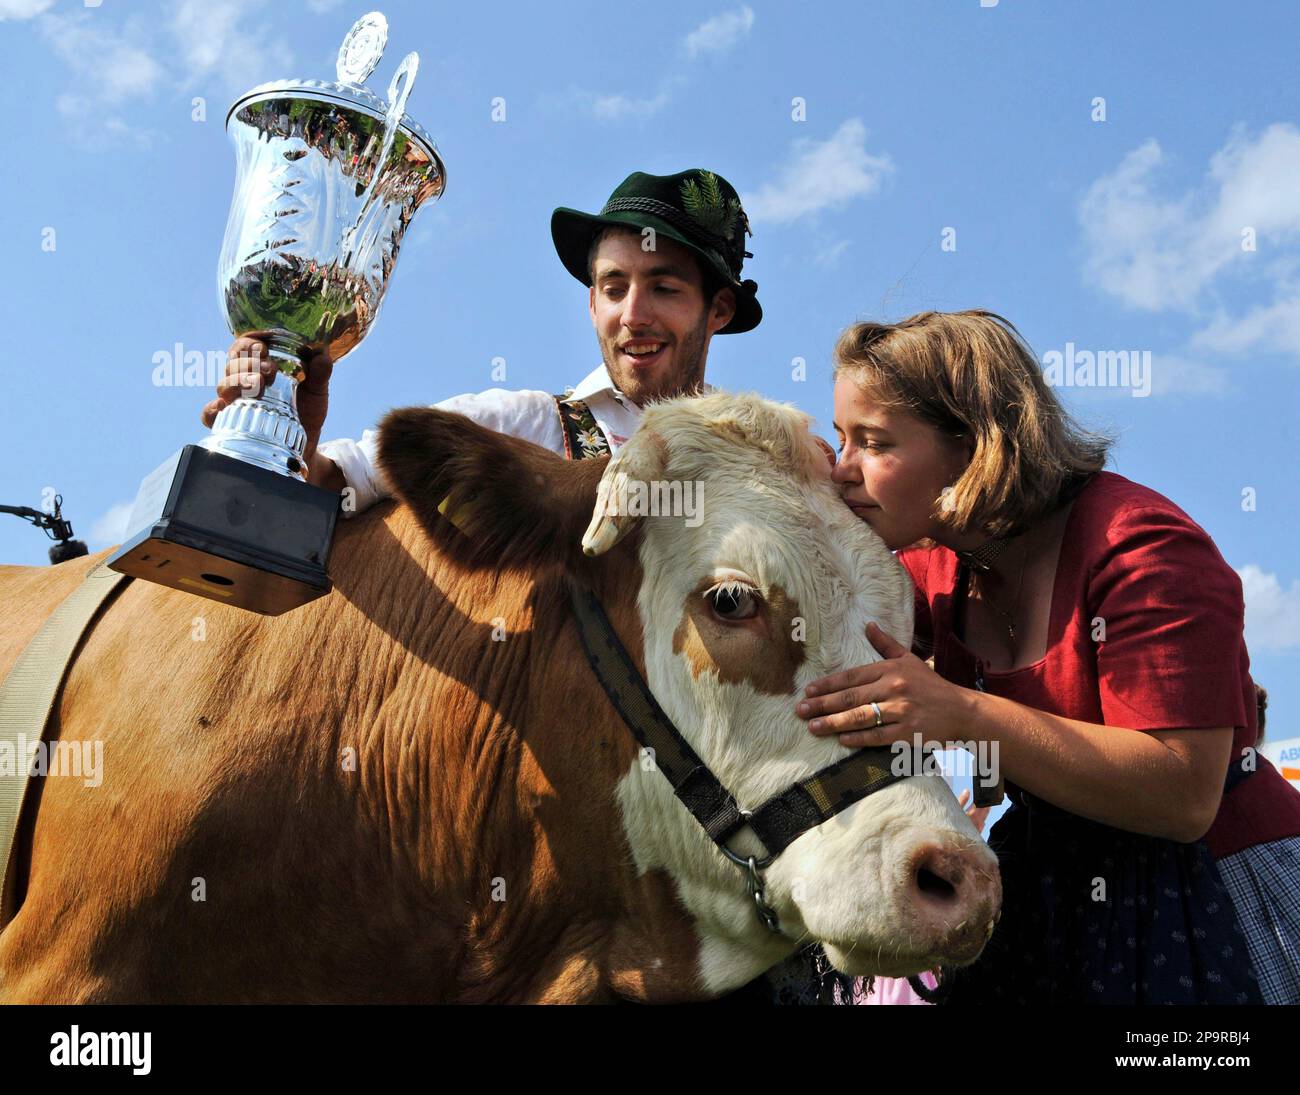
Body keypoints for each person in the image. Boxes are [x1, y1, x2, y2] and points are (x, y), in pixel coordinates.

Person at [797, 309, 1300, 1005]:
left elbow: (1184, 794)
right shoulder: (934, 570)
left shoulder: (1143, 549)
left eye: (874, 442)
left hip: (1209, 893)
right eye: (841, 437)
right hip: (1052, 892)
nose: (843, 469)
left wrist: (961, 712)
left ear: (974, 447)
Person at [199, 169, 761, 509]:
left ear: (719, 309)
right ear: (592, 302)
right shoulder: (525, 425)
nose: (633, 315)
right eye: (614, 288)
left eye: (663, 288)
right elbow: (340, 483)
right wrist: (285, 435)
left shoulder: (765, 465)